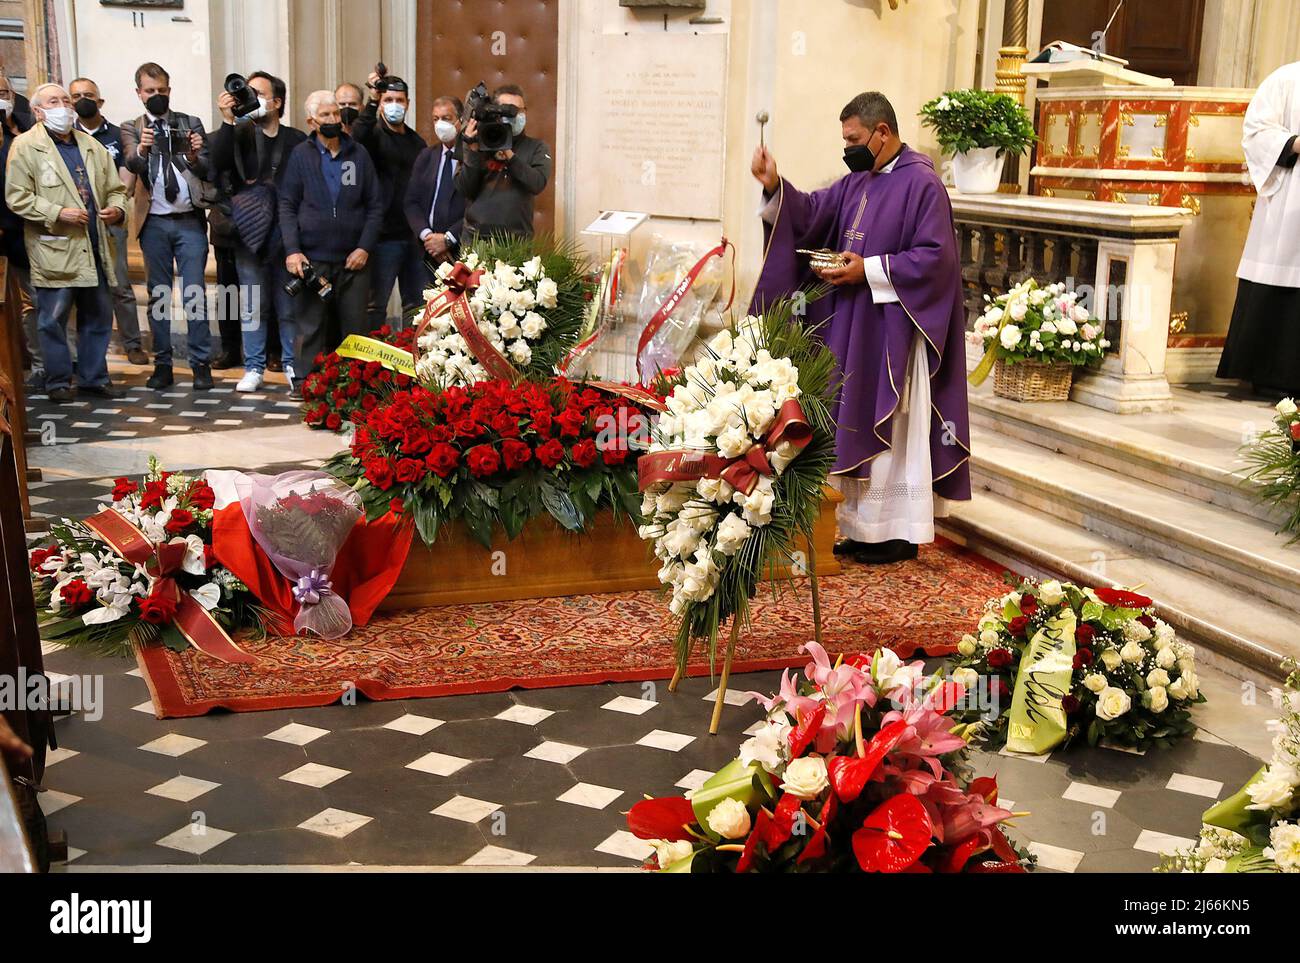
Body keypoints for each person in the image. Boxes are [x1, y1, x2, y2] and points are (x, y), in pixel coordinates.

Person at [749, 91, 971, 566]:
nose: (847, 148)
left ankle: (896, 531)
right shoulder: (857, 181)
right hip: (854, 326)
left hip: (893, 331)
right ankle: (861, 527)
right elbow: (810, 215)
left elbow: (936, 261)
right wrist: (774, 186)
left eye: (853, 139)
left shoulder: (922, 184)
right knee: (850, 417)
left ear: (883, 133)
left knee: (891, 424)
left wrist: (867, 269)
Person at [4, 83, 129, 403]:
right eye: (53, 101)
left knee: (98, 316)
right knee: (52, 319)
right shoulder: (26, 146)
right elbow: (17, 197)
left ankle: (93, 378)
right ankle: (58, 380)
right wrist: (57, 212)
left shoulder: (91, 145)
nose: (63, 106)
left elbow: (116, 189)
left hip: (95, 245)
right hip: (55, 247)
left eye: (65, 100)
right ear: (38, 111)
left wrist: (117, 210)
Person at [210, 70, 307, 393]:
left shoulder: (296, 139)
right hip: (248, 232)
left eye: (258, 93)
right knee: (252, 304)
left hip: (286, 233)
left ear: (277, 102)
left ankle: (292, 363)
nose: (249, 98)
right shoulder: (239, 133)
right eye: (246, 92)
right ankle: (254, 367)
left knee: (288, 304)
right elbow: (217, 165)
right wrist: (227, 120)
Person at [119, 62, 214, 391]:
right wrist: (144, 147)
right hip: (155, 224)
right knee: (159, 297)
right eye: (150, 91)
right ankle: (162, 364)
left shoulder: (190, 122)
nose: (156, 96)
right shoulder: (132, 127)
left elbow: (207, 168)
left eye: (161, 90)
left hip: (189, 221)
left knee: (194, 296)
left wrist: (192, 155)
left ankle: (201, 364)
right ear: (139, 94)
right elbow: (131, 164)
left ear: (169, 91)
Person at [277, 90, 382, 377]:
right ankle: (305, 383)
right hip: (312, 259)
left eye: (336, 113)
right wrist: (292, 250)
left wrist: (364, 248)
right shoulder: (300, 156)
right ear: (311, 121)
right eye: (325, 115)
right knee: (310, 326)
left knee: (355, 329)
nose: (333, 119)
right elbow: (287, 205)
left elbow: (374, 206)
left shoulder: (357, 154)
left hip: (354, 261)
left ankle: (356, 387)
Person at [1218, 60, 1300, 398]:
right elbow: (1256, 130)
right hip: (1291, 201)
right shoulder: (1287, 78)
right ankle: (1274, 376)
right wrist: (1295, 144)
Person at [69, 76, 148, 367]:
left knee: (120, 284)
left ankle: (133, 344)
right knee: (79, 288)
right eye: (75, 96)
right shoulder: (64, 137)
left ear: (100, 101)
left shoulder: (117, 135)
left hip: (111, 219)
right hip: (75, 223)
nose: (82, 100)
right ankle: (84, 353)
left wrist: (116, 204)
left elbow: (127, 175)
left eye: (88, 94)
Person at [353, 69, 427, 327]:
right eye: (388, 100)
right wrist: (372, 100)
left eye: (399, 100)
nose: (395, 106)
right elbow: (356, 136)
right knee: (375, 306)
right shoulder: (372, 135)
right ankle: (372, 364)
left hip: (412, 236)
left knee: (416, 306)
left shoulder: (417, 143)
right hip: (382, 236)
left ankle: (412, 359)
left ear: (408, 103)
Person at [457, 84, 551, 242]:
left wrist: (508, 153)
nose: (514, 115)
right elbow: (465, 189)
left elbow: (537, 183)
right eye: (506, 109)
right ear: (494, 112)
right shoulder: (475, 142)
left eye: (518, 110)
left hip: (516, 241)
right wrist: (472, 151)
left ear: (525, 112)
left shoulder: (537, 147)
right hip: (476, 239)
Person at [0, 72, 39, 387]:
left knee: (44, 301)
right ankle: (29, 363)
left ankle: (49, 363)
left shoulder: (27, 127)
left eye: (3, 90)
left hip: (37, 227)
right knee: (24, 303)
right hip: (7, 230)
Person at [405, 95, 466, 268]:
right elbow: (411, 202)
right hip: (427, 250)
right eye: (435, 119)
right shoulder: (426, 156)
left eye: (446, 118)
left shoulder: (472, 159)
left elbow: (476, 208)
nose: (440, 124)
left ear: (461, 120)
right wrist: (428, 237)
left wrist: (447, 239)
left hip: (461, 249)